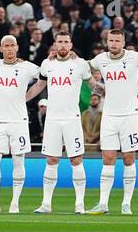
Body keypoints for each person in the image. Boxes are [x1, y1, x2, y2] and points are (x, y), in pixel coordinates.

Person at [27, 30, 92, 214]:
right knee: (51, 160)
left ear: (71, 45)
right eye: (60, 42)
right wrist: (22, 99)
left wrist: (107, 93)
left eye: (66, 42)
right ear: (55, 44)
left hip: (72, 119)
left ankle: (80, 204)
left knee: (76, 160)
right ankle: (46, 204)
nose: (63, 45)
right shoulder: (47, 64)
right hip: (53, 119)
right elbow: (39, 85)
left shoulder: (80, 64)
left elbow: (92, 84)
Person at [88, 27, 138, 214]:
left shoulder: (135, 57)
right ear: (107, 42)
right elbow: (82, 68)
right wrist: (97, 87)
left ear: (123, 43)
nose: (113, 44)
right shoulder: (100, 59)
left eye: (117, 41)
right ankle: (103, 204)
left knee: (129, 158)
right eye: (111, 40)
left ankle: (126, 204)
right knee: (107, 158)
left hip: (129, 115)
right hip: (109, 115)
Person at [0, 35, 42, 213]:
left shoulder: (27, 67)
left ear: (17, 48)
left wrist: (27, 97)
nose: (9, 49)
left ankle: (15, 203)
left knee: (18, 160)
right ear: (1, 49)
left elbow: (45, 77)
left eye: (12, 45)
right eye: (6, 46)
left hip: (18, 121)